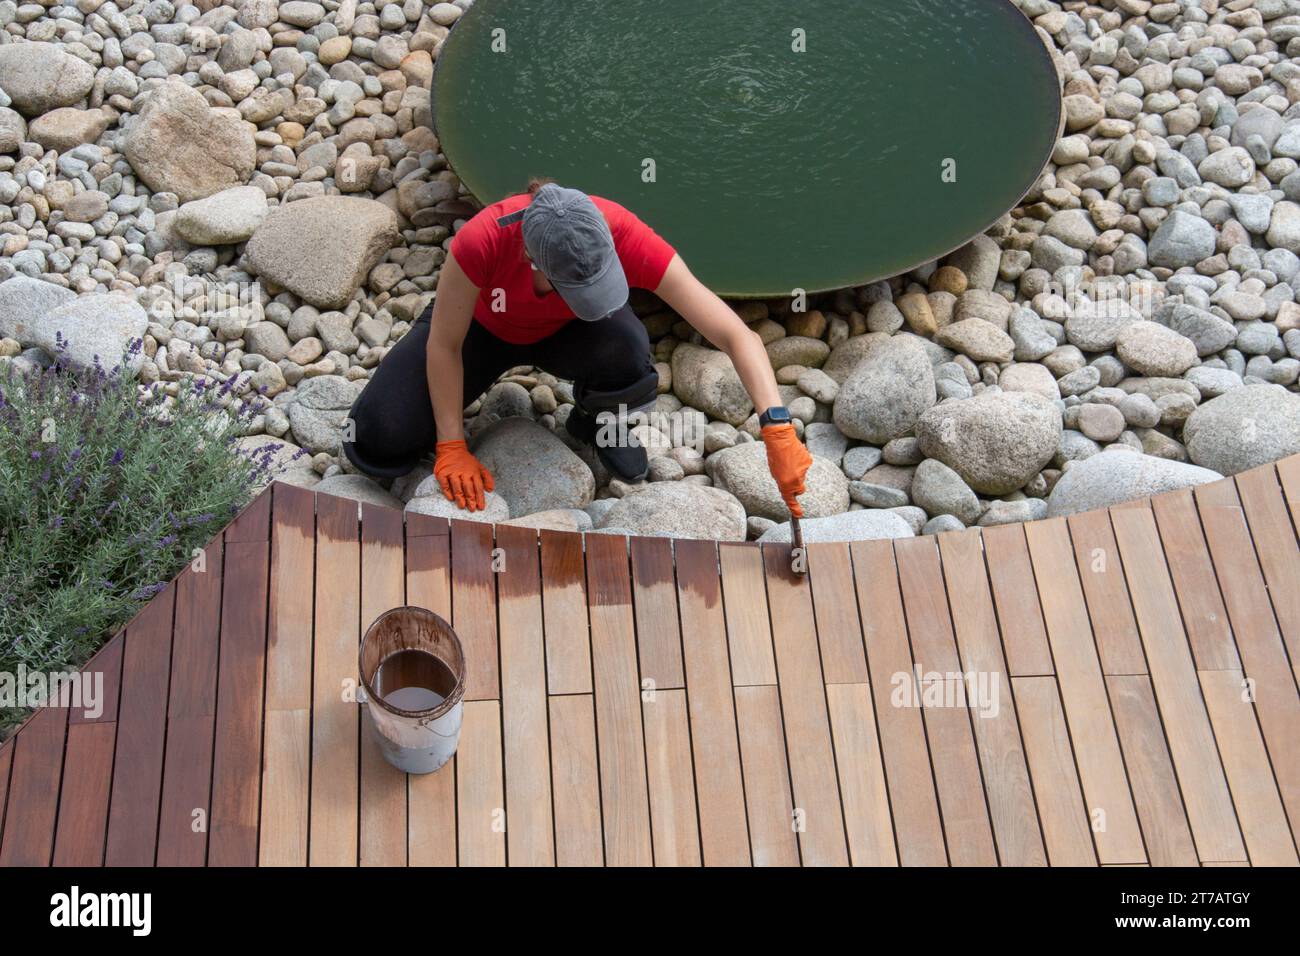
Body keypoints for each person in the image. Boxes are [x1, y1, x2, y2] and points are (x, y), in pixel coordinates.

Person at [344, 179, 812, 517]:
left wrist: (777, 427)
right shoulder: (483, 239)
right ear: (531, 257)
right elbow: (445, 345)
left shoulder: (619, 229)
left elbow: (735, 334)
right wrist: (451, 444)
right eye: (577, 285)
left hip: (566, 332)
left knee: (628, 350)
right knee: (377, 436)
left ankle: (592, 421)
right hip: (480, 332)